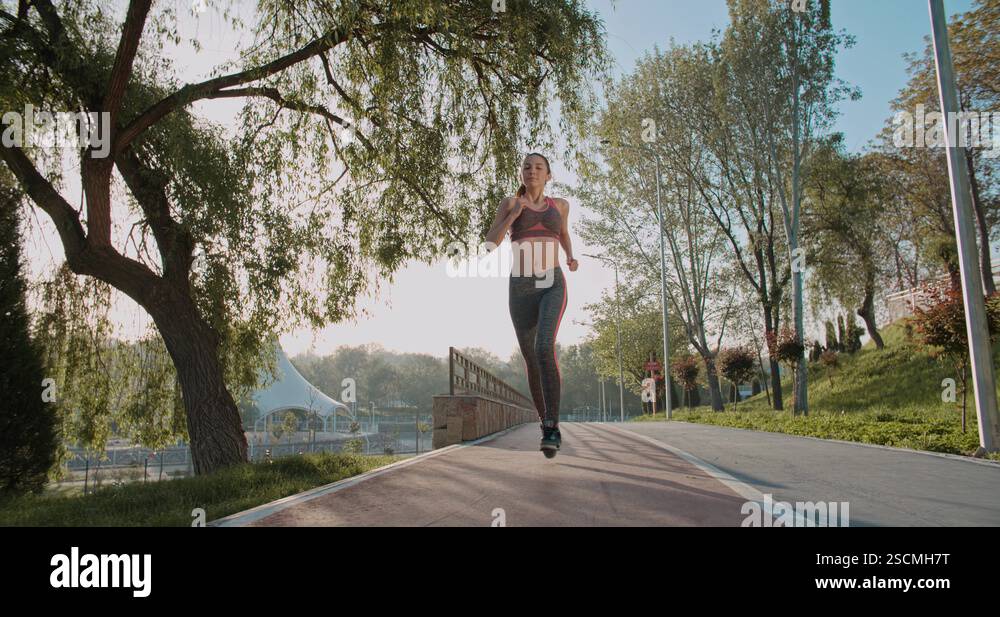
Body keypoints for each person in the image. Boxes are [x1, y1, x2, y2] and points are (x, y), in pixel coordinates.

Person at [485, 152, 578, 457]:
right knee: (530, 358)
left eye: (539, 167)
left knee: (543, 348)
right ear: (521, 174)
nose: (532, 171)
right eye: (527, 167)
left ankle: (552, 426)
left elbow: (563, 233)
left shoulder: (560, 206)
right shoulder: (510, 203)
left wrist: (569, 255)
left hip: (551, 281)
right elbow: (490, 242)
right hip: (521, 286)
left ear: (548, 175)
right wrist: (513, 216)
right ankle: (543, 421)